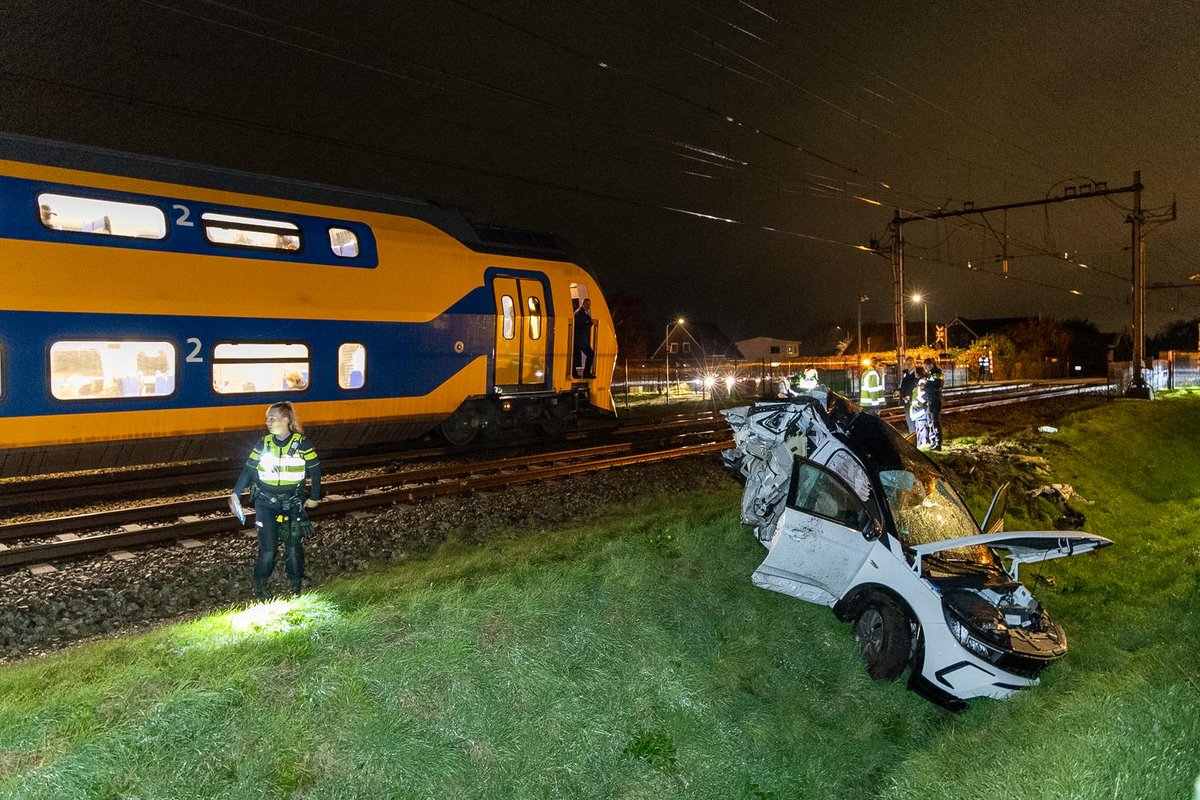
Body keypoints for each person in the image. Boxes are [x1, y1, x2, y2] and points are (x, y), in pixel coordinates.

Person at [231, 402, 322, 599]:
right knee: (268, 549)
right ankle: (262, 588)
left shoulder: (303, 444)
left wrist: (314, 497)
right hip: (266, 504)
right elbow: (249, 470)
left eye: (272, 418)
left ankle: (296, 588)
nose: (268, 422)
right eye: (267, 418)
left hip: (292, 504)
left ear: (286, 420)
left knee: (293, 546)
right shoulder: (263, 444)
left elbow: (315, 471)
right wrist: (236, 493)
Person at [922, 357, 945, 450]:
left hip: (934, 399)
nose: (925, 369)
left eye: (925, 366)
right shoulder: (931, 373)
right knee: (931, 421)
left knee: (935, 421)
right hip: (931, 399)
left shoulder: (936, 373)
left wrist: (925, 387)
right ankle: (934, 442)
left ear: (930, 364)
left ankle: (938, 443)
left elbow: (936, 385)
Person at [909, 366, 930, 448]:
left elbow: (923, 394)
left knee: (921, 427)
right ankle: (920, 445)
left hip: (920, 410)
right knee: (919, 427)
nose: (914, 374)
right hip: (919, 410)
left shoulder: (921, 382)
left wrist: (919, 403)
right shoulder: (922, 381)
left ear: (917, 373)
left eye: (915, 372)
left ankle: (923, 445)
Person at [573, 297, 594, 378]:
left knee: (576, 356)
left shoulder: (583, 313)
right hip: (580, 340)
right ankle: (586, 373)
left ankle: (578, 373)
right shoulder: (580, 313)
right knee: (590, 354)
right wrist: (589, 323)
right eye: (587, 304)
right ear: (583, 304)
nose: (589, 306)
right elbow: (583, 325)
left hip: (581, 339)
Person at [897, 357, 918, 434]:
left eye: (910, 363)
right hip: (906, 400)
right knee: (909, 420)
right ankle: (913, 435)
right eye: (907, 364)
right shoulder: (906, 374)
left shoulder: (917, 374)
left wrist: (910, 395)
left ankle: (917, 437)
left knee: (915, 420)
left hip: (914, 401)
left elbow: (916, 387)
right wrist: (899, 392)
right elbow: (904, 386)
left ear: (914, 363)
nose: (908, 365)